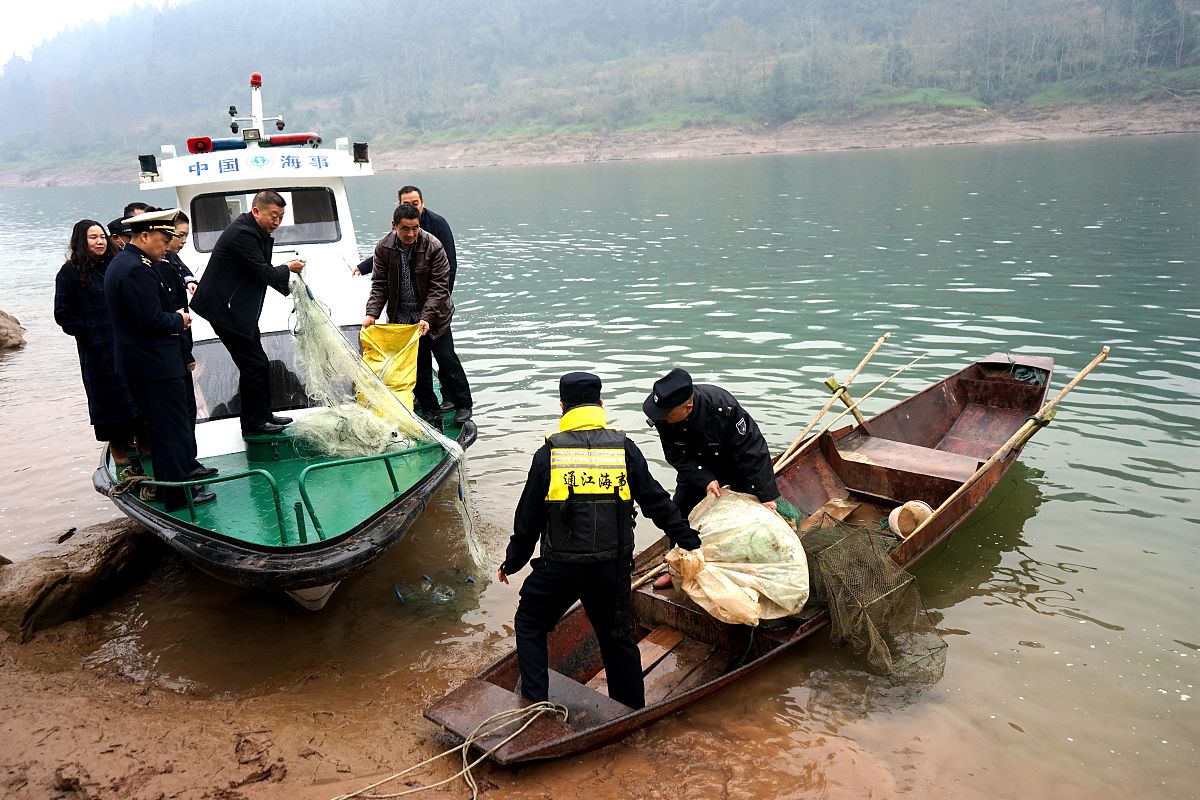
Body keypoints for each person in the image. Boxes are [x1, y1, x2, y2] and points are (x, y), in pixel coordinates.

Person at [496, 372, 702, 710]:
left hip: (559, 569)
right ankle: (630, 713)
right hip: (610, 569)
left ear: (563, 407)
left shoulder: (548, 454)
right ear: (601, 405)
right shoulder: (624, 448)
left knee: (530, 623)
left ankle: (536, 706)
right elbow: (657, 503)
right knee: (618, 639)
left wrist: (513, 561)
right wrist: (688, 540)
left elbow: (528, 519)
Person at [104, 208, 214, 511]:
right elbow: (150, 319)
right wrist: (178, 320)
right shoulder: (136, 269)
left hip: (143, 364)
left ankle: (172, 490)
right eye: (163, 240)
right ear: (145, 236)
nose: (167, 246)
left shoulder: (124, 263)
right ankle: (179, 496)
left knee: (161, 429)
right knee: (170, 430)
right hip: (155, 365)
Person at [190, 190, 305, 435]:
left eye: (281, 217)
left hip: (238, 311)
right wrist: (288, 268)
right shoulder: (242, 234)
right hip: (225, 311)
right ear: (256, 211)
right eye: (273, 216)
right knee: (254, 365)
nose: (277, 222)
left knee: (257, 363)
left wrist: (291, 285)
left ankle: (263, 414)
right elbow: (264, 273)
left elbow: (261, 273)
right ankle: (253, 423)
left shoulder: (255, 231)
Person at [363, 203, 472, 426]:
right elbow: (379, 284)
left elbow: (439, 287)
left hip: (436, 317)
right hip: (403, 318)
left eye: (415, 228)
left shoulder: (433, 246)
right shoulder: (383, 248)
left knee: (447, 359)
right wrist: (371, 313)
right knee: (419, 366)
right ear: (394, 226)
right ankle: (430, 409)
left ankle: (463, 405)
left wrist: (427, 317)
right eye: (405, 228)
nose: (411, 233)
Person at [54, 219, 145, 475]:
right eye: (93, 237)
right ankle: (120, 456)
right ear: (81, 241)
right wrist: (90, 333)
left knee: (137, 397)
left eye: (102, 236)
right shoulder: (69, 273)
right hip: (96, 350)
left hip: (127, 343)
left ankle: (145, 447)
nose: (100, 241)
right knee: (110, 405)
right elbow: (63, 314)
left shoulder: (116, 265)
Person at [644, 367, 779, 518]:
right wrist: (705, 479)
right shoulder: (663, 416)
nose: (662, 418)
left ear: (687, 408)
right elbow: (676, 456)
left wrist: (766, 495)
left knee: (745, 516)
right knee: (679, 515)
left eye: (666, 414)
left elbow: (752, 449)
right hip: (696, 467)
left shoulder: (723, 408)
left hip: (734, 464)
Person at [154, 211, 217, 481]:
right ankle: (181, 476)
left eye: (185, 236)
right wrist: (185, 354)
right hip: (170, 354)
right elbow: (165, 316)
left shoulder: (169, 260)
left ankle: (190, 463)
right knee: (175, 419)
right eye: (179, 236)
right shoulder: (152, 268)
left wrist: (190, 280)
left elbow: (184, 272)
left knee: (187, 413)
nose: (182, 242)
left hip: (180, 349)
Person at [353, 185, 458, 291]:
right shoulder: (400, 222)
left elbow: (450, 263)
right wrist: (363, 267)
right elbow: (388, 251)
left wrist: (445, 294)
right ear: (399, 205)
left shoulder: (438, 224)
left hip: (433, 284)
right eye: (406, 204)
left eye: (415, 204)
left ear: (422, 203)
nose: (411, 208)